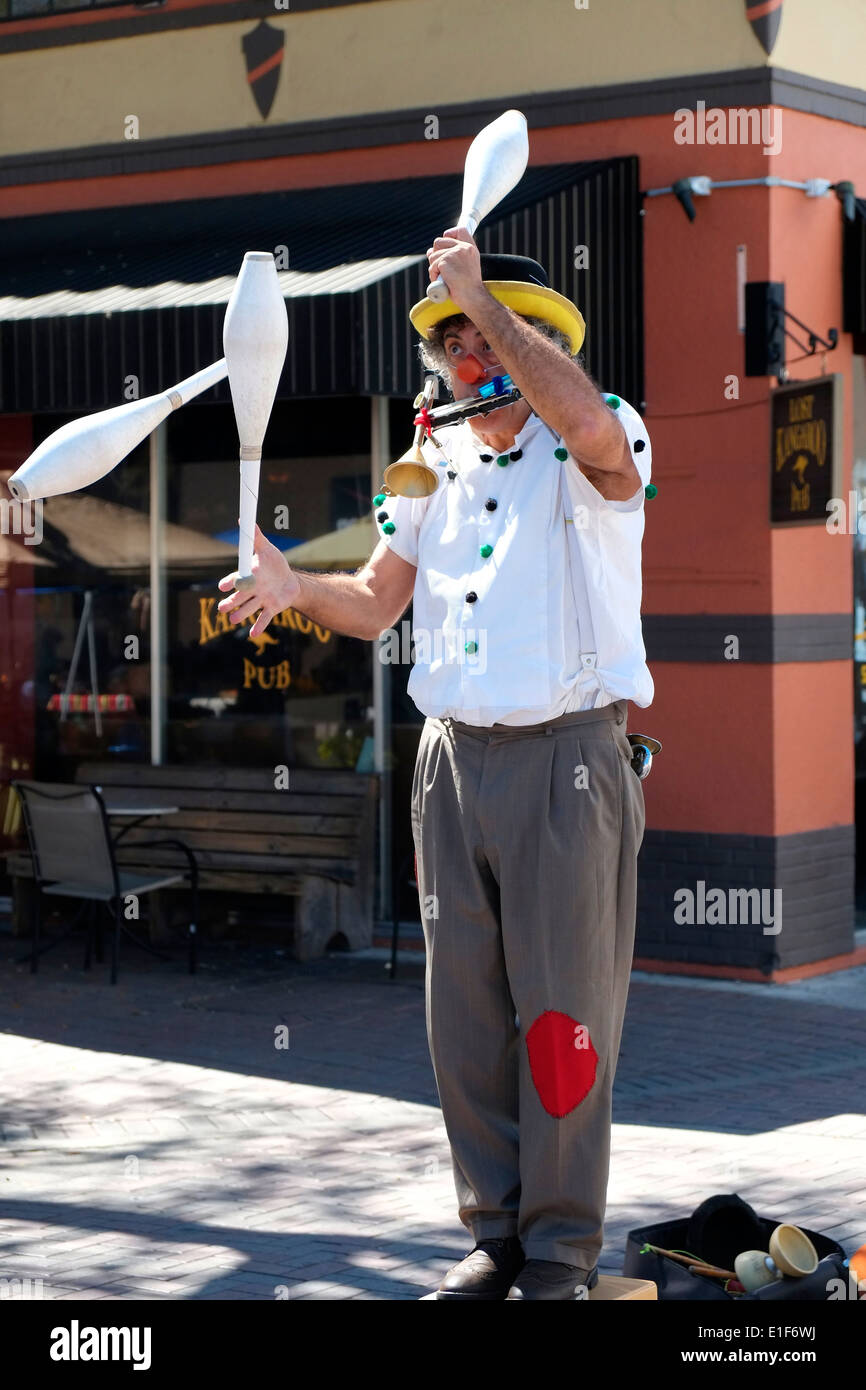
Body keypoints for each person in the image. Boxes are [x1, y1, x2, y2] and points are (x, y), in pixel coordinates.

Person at [217, 228, 653, 1301]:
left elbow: (589, 426)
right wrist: (288, 585)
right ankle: (493, 1232)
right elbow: (370, 601)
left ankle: (559, 1251)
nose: (460, 357)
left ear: (535, 340)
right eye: (448, 340)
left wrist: (481, 296)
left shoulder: (602, 438)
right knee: (460, 1018)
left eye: (479, 336)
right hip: (450, 763)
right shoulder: (431, 464)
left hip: (569, 762)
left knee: (559, 1018)